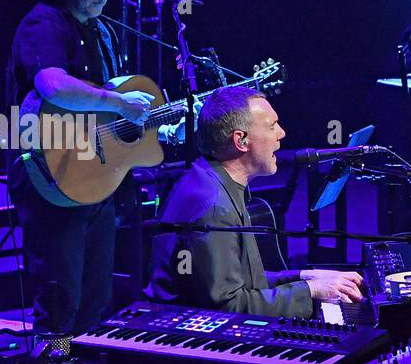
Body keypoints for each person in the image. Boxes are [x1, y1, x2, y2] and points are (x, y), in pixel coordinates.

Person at [1, 0, 155, 335]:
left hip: (93, 178)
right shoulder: (43, 23)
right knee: (60, 296)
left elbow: (98, 116)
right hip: (51, 178)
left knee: (95, 297)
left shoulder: (101, 32)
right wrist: (121, 103)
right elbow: (52, 84)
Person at [147, 85, 362, 315]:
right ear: (241, 141)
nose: (282, 134)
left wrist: (304, 277)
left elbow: (240, 281)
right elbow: (229, 307)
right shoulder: (214, 206)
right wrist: (308, 291)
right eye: (272, 126)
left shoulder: (213, 181)